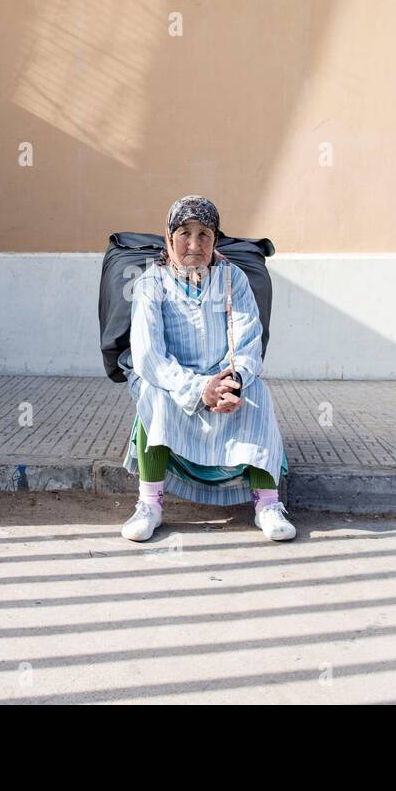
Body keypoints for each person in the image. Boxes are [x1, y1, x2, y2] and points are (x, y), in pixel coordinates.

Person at [120, 195, 294, 542]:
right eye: (184, 233)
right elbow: (149, 356)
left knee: (257, 393)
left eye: (205, 235)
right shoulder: (150, 285)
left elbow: (247, 343)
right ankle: (149, 504)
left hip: (223, 383)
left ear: (216, 239)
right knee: (155, 393)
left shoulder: (234, 280)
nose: (194, 245)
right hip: (175, 382)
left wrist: (232, 383)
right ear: (168, 238)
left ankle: (268, 505)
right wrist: (200, 389)